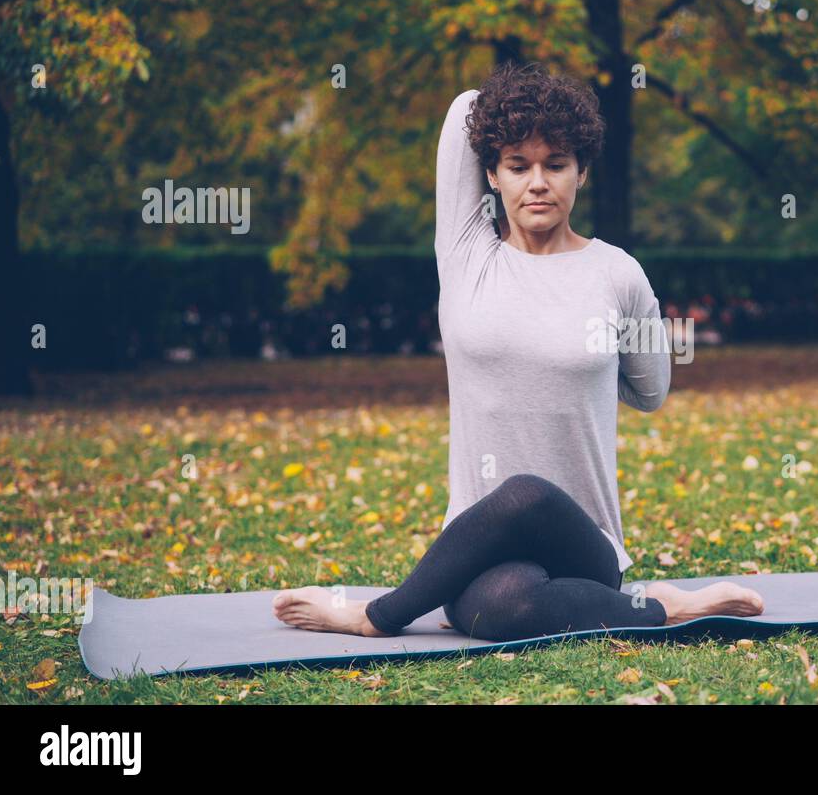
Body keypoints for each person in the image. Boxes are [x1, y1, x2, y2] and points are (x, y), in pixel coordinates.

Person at [273, 61, 763, 641]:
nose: (538, 182)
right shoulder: (466, 255)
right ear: (491, 175)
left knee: (529, 493)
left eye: (556, 164)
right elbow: (463, 112)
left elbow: (650, 393)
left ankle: (372, 618)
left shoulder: (619, 275)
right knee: (505, 610)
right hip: (477, 548)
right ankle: (658, 606)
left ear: (581, 173)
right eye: (517, 165)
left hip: (584, 544)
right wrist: (521, 104)